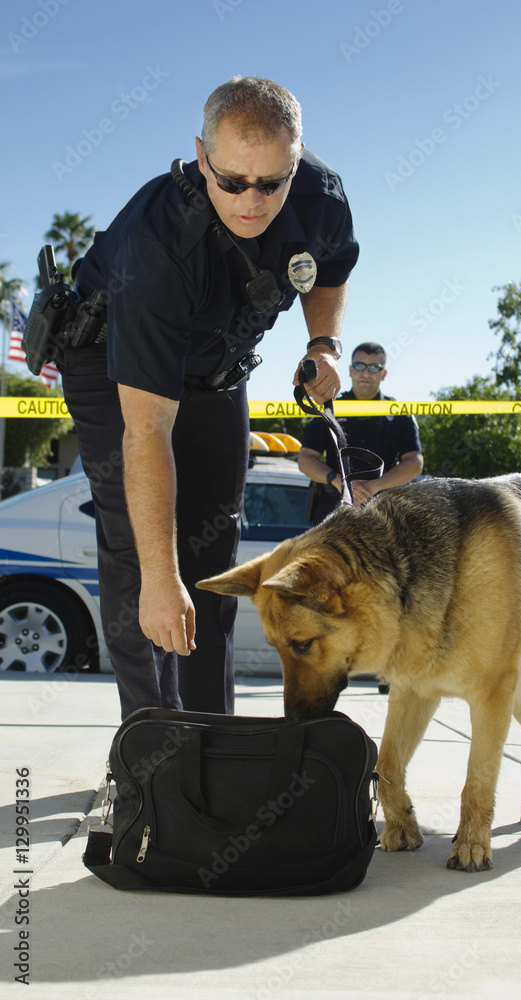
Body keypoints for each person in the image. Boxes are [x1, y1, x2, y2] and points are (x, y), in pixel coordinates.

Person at [57, 76, 359, 719]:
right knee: (146, 563)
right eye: (232, 181)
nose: (252, 201)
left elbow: (330, 268)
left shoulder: (323, 197)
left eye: (271, 183)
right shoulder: (159, 241)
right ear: (201, 158)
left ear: (296, 162)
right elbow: (147, 433)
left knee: (213, 555)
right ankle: (153, 755)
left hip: (217, 360)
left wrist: (325, 345)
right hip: (115, 360)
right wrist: (163, 582)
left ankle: (210, 737)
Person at [298, 342, 423, 524]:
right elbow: (305, 459)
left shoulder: (398, 413)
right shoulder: (329, 410)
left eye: (374, 367)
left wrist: (373, 487)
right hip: (334, 516)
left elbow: (415, 463)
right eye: (359, 366)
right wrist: (340, 482)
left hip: (385, 517)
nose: (365, 373)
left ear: (384, 374)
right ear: (349, 370)